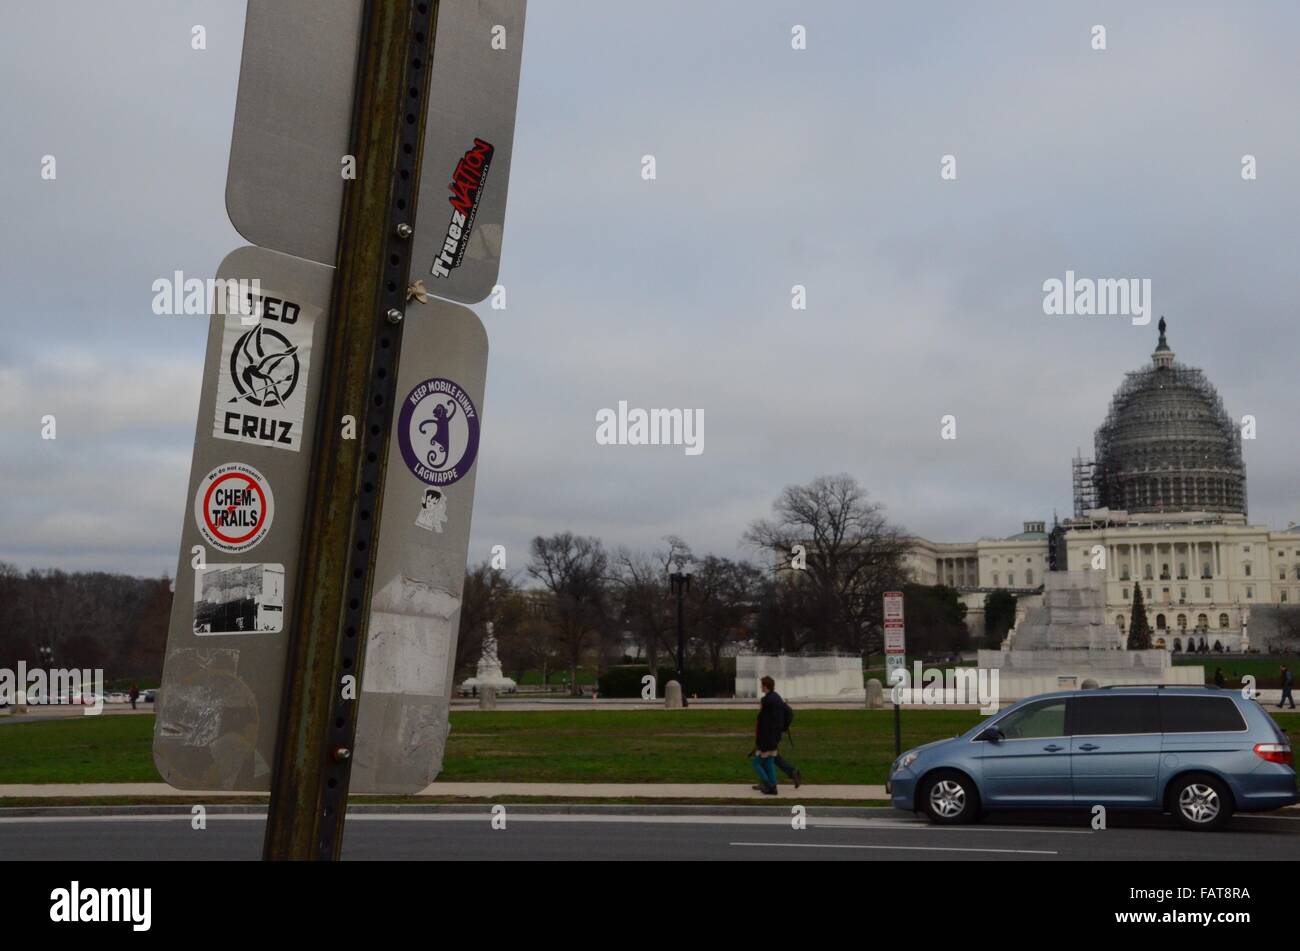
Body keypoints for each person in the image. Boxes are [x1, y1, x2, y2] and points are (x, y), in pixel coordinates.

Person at [750, 676, 800, 794]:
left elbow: (763, 723)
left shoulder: (767, 701)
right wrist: (783, 727)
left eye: (762, 685)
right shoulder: (777, 697)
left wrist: (759, 741)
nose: (760, 687)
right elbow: (789, 712)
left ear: (766, 686)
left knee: (764, 761)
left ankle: (770, 784)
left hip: (767, 737)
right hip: (774, 735)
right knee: (772, 758)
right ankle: (788, 774)